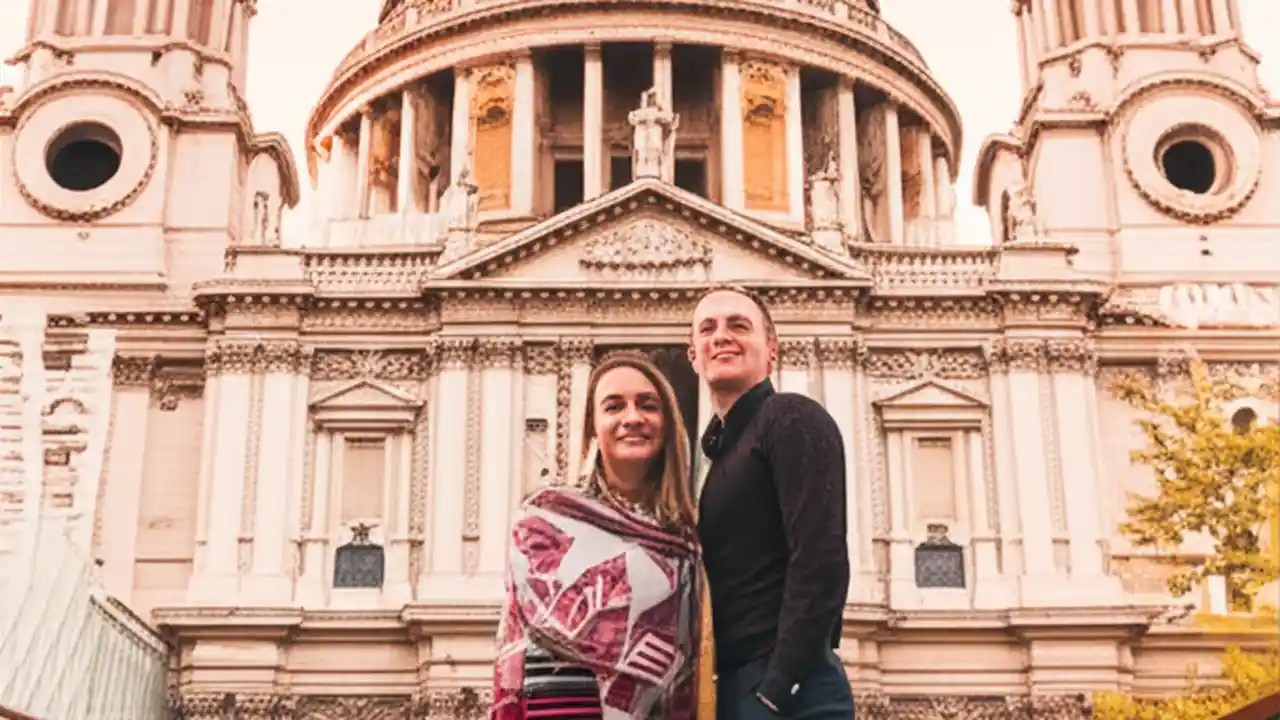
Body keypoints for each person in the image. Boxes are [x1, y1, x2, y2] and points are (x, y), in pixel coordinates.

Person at [492, 351, 716, 720]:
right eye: (614, 406)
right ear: (592, 426)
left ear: (668, 423)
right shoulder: (546, 520)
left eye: (648, 405)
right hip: (560, 708)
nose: (633, 418)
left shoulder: (687, 542)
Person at [688, 285, 853, 719]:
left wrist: (778, 687)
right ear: (694, 356)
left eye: (739, 326)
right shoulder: (720, 452)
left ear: (772, 349)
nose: (721, 336)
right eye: (708, 328)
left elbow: (820, 557)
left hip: (784, 687)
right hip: (738, 683)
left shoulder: (789, 417)